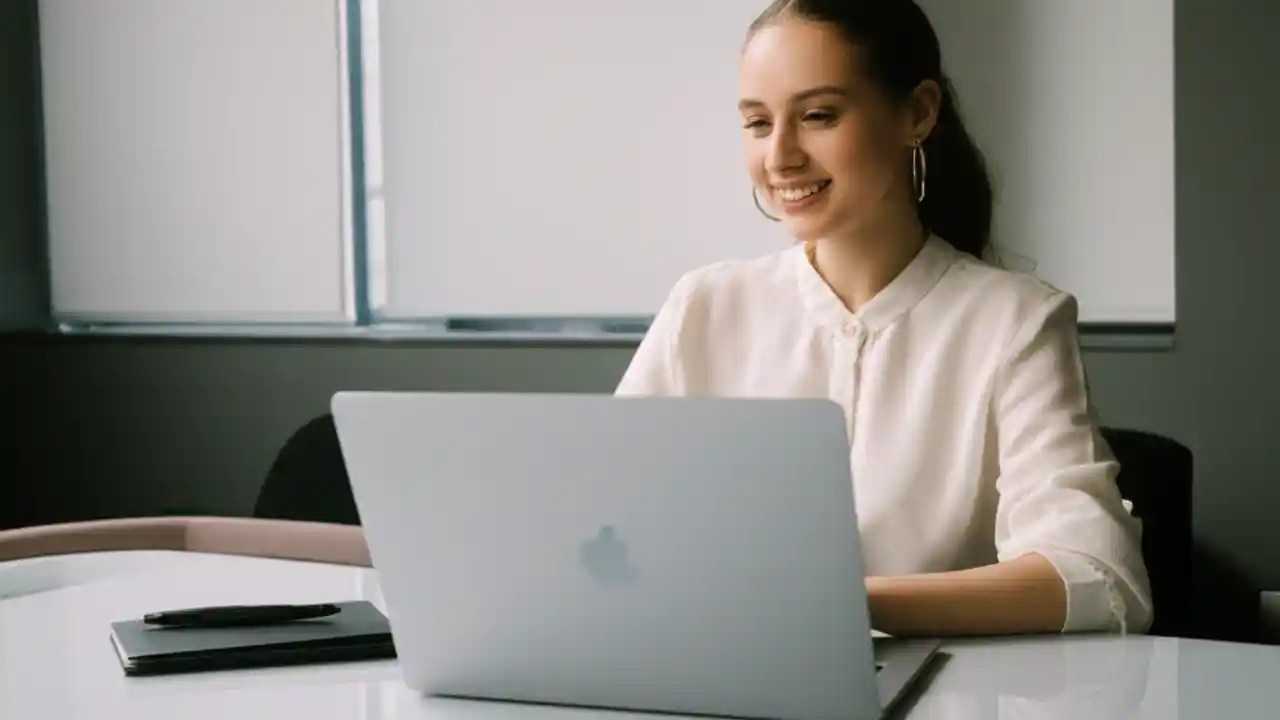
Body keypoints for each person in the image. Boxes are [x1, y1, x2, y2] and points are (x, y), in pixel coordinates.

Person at [616, 0, 1151, 636]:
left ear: (918, 113)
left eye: (817, 116)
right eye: (758, 123)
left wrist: (841, 603)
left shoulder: (1017, 321)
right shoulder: (702, 309)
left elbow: (1098, 578)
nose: (780, 157)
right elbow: (601, 528)